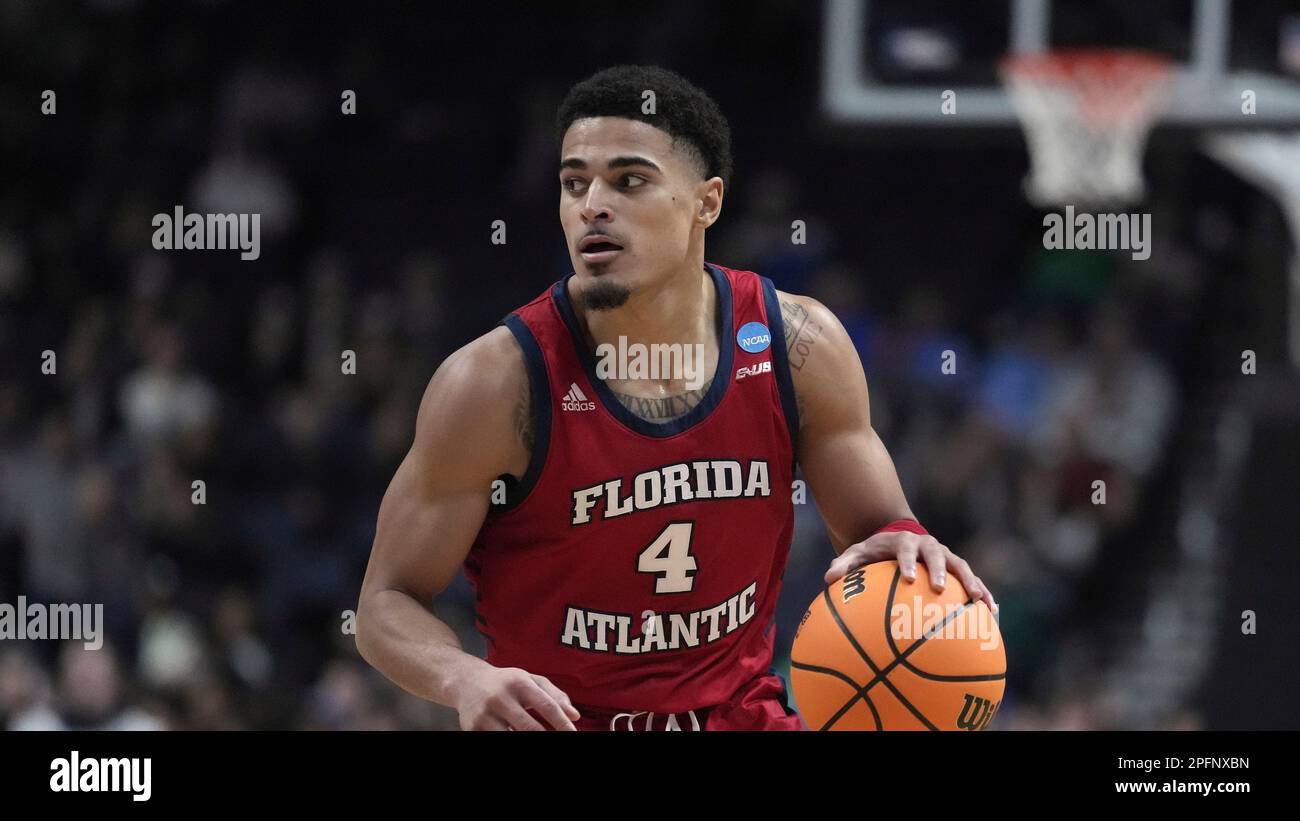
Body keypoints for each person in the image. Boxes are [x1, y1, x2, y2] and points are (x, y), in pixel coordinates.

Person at [356, 65, 997, 731]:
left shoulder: (796, 345)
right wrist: (463, 675)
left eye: (629, 180)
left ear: (707, 202)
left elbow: (877, 528)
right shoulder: (495, 383)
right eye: (574, 183)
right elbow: (385, 601)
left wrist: (908, 542)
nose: (592, 205)